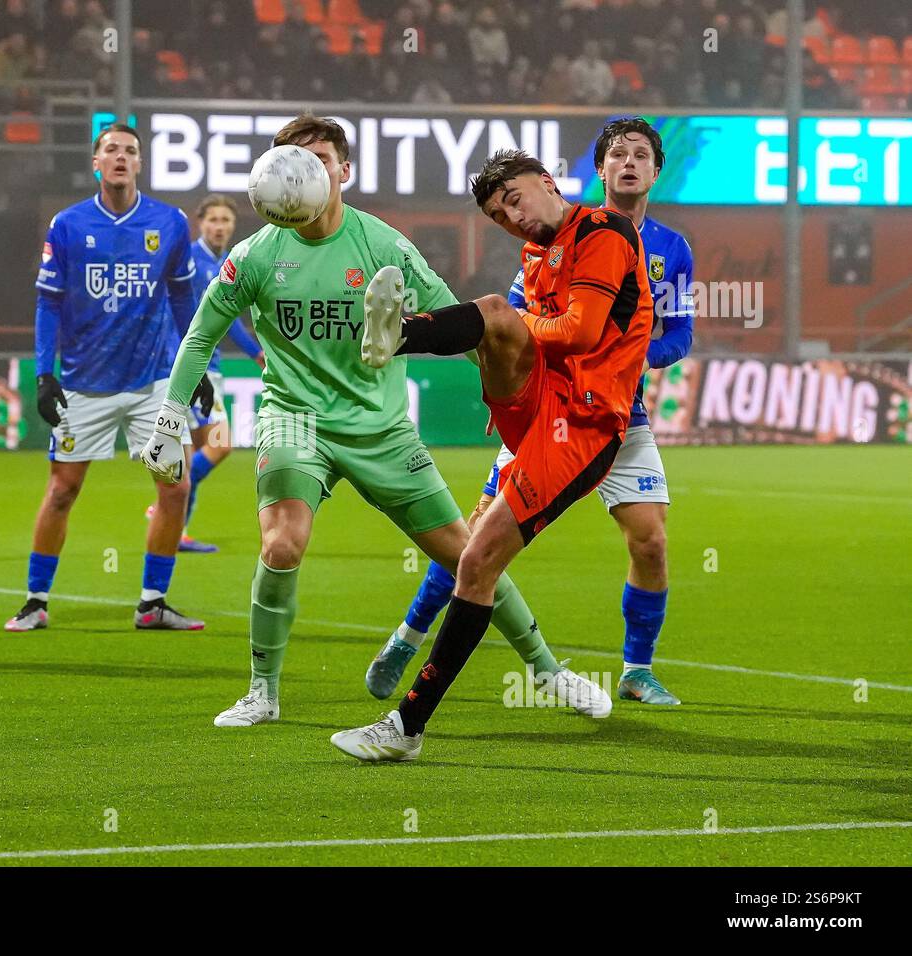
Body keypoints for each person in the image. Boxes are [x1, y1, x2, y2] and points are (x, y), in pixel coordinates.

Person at [140, 114, 609, 728]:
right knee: (281, 545)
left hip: (381, 428)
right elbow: (201, 335)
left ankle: (548, 670)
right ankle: (262, 691)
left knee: (468, 556)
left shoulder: (385, 246)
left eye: (317, 158)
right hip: (295, 419)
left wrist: (514, 394)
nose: (304, 168)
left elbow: (460, 326)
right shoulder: (254, 255)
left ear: (344, 171)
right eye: (291, 157)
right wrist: (172, 414)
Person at [332, 148, 653, 761]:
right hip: (541, 406)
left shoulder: (604, 231)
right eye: (498, 216)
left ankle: (406, 726)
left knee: (476, 561)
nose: (510, 219)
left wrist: (508, 335)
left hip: (586, 424)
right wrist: (505, 360)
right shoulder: (536, 256)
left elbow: (582, 333)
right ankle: (396, 334)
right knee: (499, 317)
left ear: (547, 182)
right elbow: (533, 336)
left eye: (513, 200)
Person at [368, 117, 695, 707]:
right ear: (597, 170)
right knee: (479, 535)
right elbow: (513, 324)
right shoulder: (544, 243)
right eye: (616, 153)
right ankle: (408, 634)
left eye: (640, 154)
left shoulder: (671, 250)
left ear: (654, 169)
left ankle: (637, 669)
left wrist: (635, 349)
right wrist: (509, 378)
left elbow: (681, 332)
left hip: (622, 412)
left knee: (650, 542)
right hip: (551, 407)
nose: (628, 162)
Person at [4, 123, 212, 634]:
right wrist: (44, 375)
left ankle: (152, 602)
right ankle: (35, 600)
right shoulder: (69, 224)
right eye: (111, 150)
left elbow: (185, 297)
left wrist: (198, 362)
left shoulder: (170, 222)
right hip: (83, 382)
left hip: (152, 382)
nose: (121, 157)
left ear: (140, 163)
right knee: (62, 491)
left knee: (174, 486)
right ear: (95, 161)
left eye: (130, 151)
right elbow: (48, 301)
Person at [148, 193, 264, 554]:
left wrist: (256, 353)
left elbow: (227, 321)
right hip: (186, 368)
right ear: (201, 223)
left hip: (209, 368)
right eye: (213, 219)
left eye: (226, 220)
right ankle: (164, 504)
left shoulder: (228, 263)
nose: (219, 226)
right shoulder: (190, 260)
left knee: (202, 449)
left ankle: (178, 529)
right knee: (219, 444)